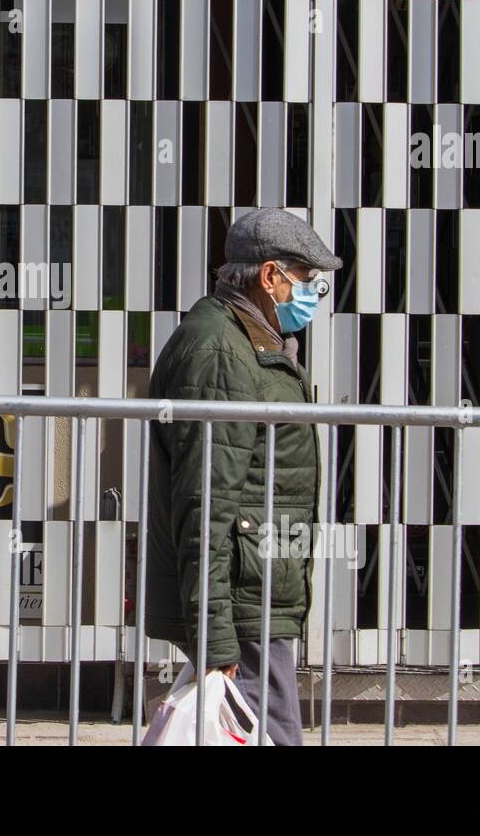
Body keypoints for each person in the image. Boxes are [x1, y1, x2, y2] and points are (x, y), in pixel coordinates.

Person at [145, 208, 343, 745]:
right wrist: (215, 635)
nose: (312, 295)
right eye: (307, 281)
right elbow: (204, 501)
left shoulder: (248, 343)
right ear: (270, 276)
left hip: (254, 593)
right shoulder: (220, 353)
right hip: (243, 601)